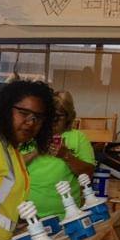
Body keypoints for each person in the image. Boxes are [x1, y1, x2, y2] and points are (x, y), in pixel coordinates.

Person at [0, 79, 55, 240]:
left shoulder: (13, 149)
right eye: (23, 113)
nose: (31, 122)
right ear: (5, 109)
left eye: (38, 117)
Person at [23, 89, 95, 219]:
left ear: (68, 117)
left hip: (67, 214)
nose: (53, 121)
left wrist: (66, 156)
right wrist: (37, 151)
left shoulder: (78, 137)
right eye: (50, 116)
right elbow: (12, 166)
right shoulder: (30, 135)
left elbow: (89, 173)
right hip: (29, 216)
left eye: (58, 116)